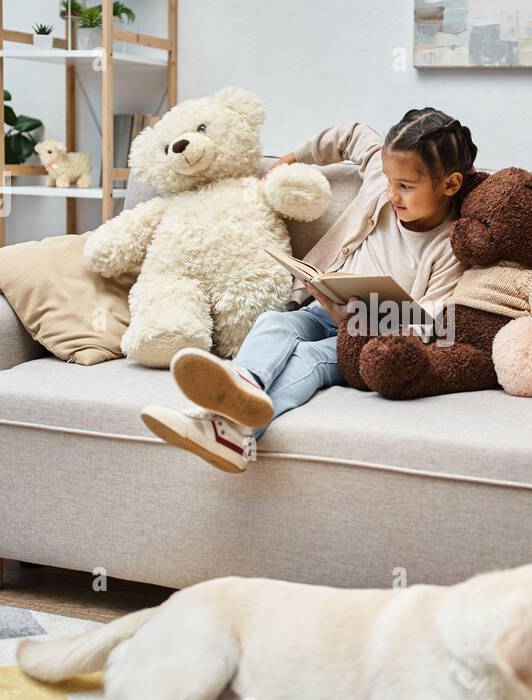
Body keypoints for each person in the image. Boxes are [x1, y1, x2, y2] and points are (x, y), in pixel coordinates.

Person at [140, 107, 480, 472]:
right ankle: (242, 384)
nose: (392, 194)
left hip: (364, 338)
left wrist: (358, 323)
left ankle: (233, 432)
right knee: (274, 322)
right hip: (322, 306)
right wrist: (286, 161)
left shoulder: (449, 246)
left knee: (311, 358)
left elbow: (431, 320)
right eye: (388, 180)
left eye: (406, 187)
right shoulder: (379, 187)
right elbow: (347, 133)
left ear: (450, 185)